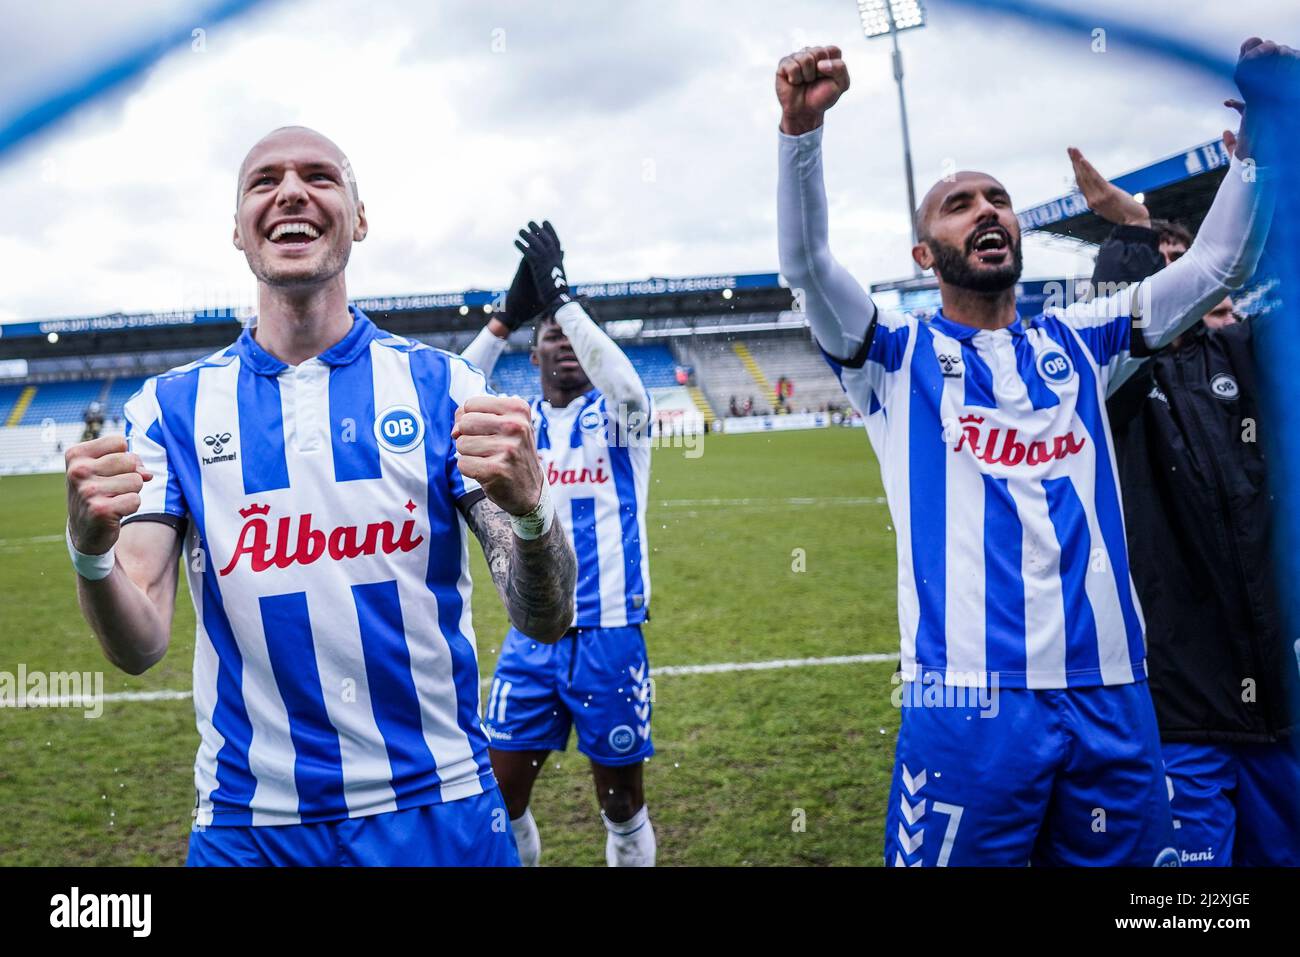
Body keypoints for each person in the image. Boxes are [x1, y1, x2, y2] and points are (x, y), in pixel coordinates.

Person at [776, 39, 1285, 865]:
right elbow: (805, 264)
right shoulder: (894, 359)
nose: (986, 210)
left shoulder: (1085, 342)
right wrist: (800, 134)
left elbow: (1215, 263)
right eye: (959, 203)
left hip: (1114, 697)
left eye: (999, 199)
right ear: (923, 254)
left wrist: (1261, 141)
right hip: (968, 705)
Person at [62, 127, 576, 867]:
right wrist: (89, 555)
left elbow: (546, 617)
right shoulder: (168, 409)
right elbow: (139, 644)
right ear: (237, 228)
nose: (292, 192)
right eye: (263, 181)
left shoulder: (447, 390)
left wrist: (532, 515)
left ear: (360, 218)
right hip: (251, 822)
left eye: (319, 176)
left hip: (436, 807)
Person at [1069, 144, 1300, 866]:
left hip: (1281, 714)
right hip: (1182, 716)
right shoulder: (1110, 390)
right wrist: (1135, 225)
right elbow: (1147, 297)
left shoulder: (1244, 358)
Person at [462, 220, 657, 867]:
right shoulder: (516, 424)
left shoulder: (622, 418)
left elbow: (626, 384)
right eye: (552, 335)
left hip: (609, 630)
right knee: (500, 796)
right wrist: (500, 321)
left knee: (621, 802)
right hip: (533, 632)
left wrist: (564, 300)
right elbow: (449, 392)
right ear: (534, 353)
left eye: (574, 335)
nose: (566, 344)